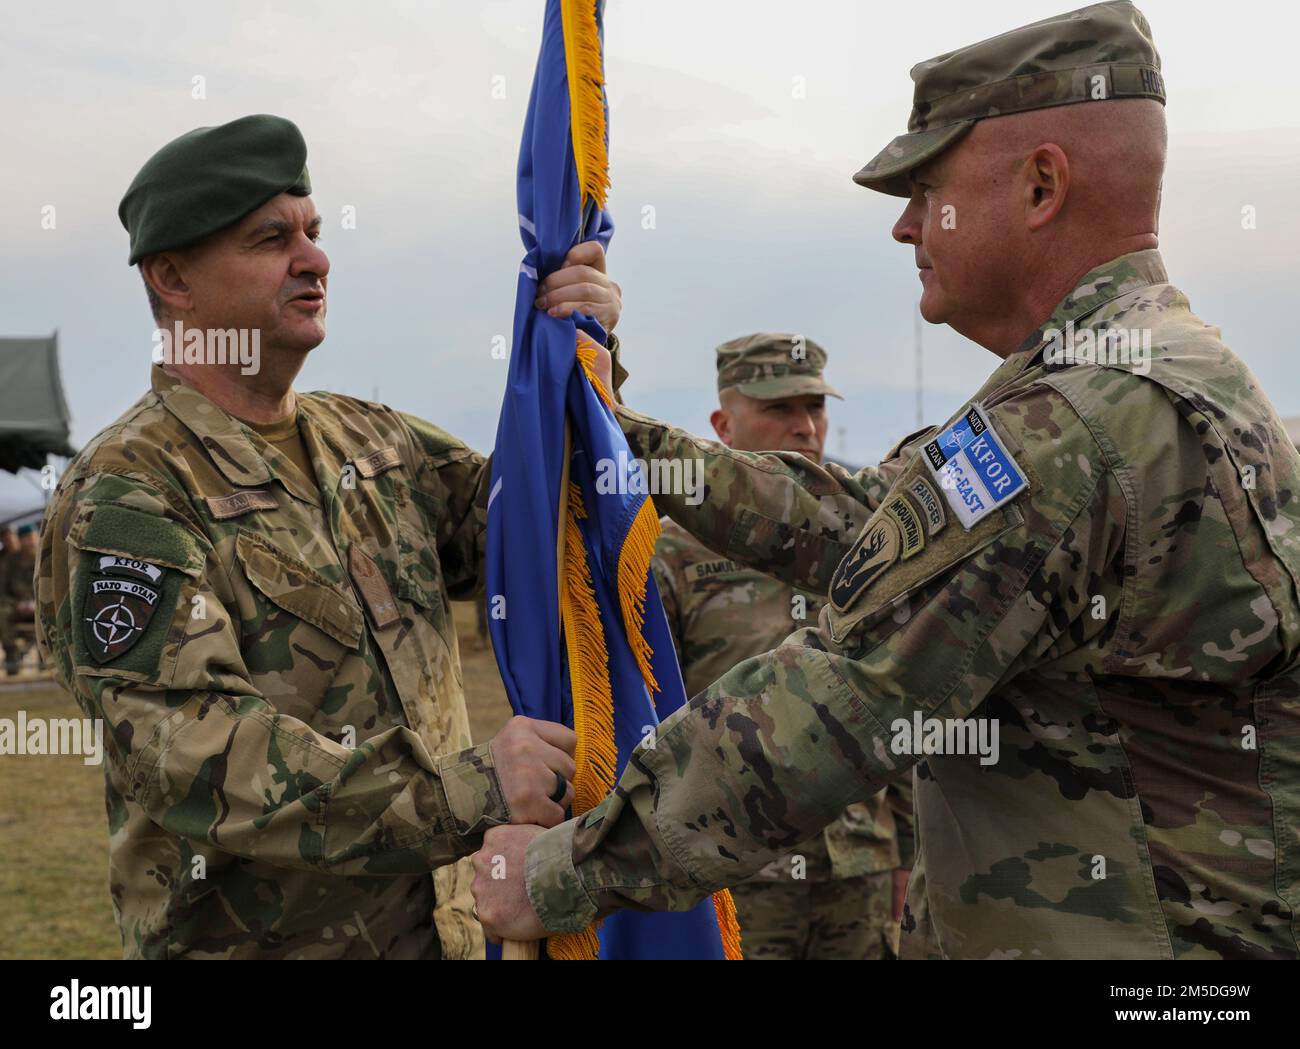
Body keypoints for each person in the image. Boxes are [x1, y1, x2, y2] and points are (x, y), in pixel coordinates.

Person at [471, 1, 1300, 960]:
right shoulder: (1158, 373)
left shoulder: (1070, 425)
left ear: (1041, 185)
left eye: (929, 187)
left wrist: (558, 872)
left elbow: (835, 702)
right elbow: (867, 523)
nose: (907, 226)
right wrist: (614, 432)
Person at [35, 114, 622, 959]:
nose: (315, 259)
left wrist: (583, 355)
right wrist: (466, 791)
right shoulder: (129, 491)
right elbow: (197, 754)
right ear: (173, 278)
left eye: (313, 231)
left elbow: (545, 527)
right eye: (272, 238)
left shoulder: (374, 445)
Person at [652, 332, 910, 959]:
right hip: (736, 870)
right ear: (723, 424)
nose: (805, 428)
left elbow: (900, 696)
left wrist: (905, 851)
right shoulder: (668, 554)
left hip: (858, 866)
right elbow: (648, 716)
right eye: (779, 409)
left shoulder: (869, 547)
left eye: (814, 408)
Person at [1, 524, 38, 674]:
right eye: (26, 539)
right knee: (2, 612)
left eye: (33, 538)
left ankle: (44, 657)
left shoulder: (45, 558)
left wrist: (38, 604)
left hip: (40, 607)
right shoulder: (10, 562)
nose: (31, 542)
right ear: (20, 540)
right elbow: (2, 592)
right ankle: (12, 655)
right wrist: (17, 605)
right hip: (16, 607)